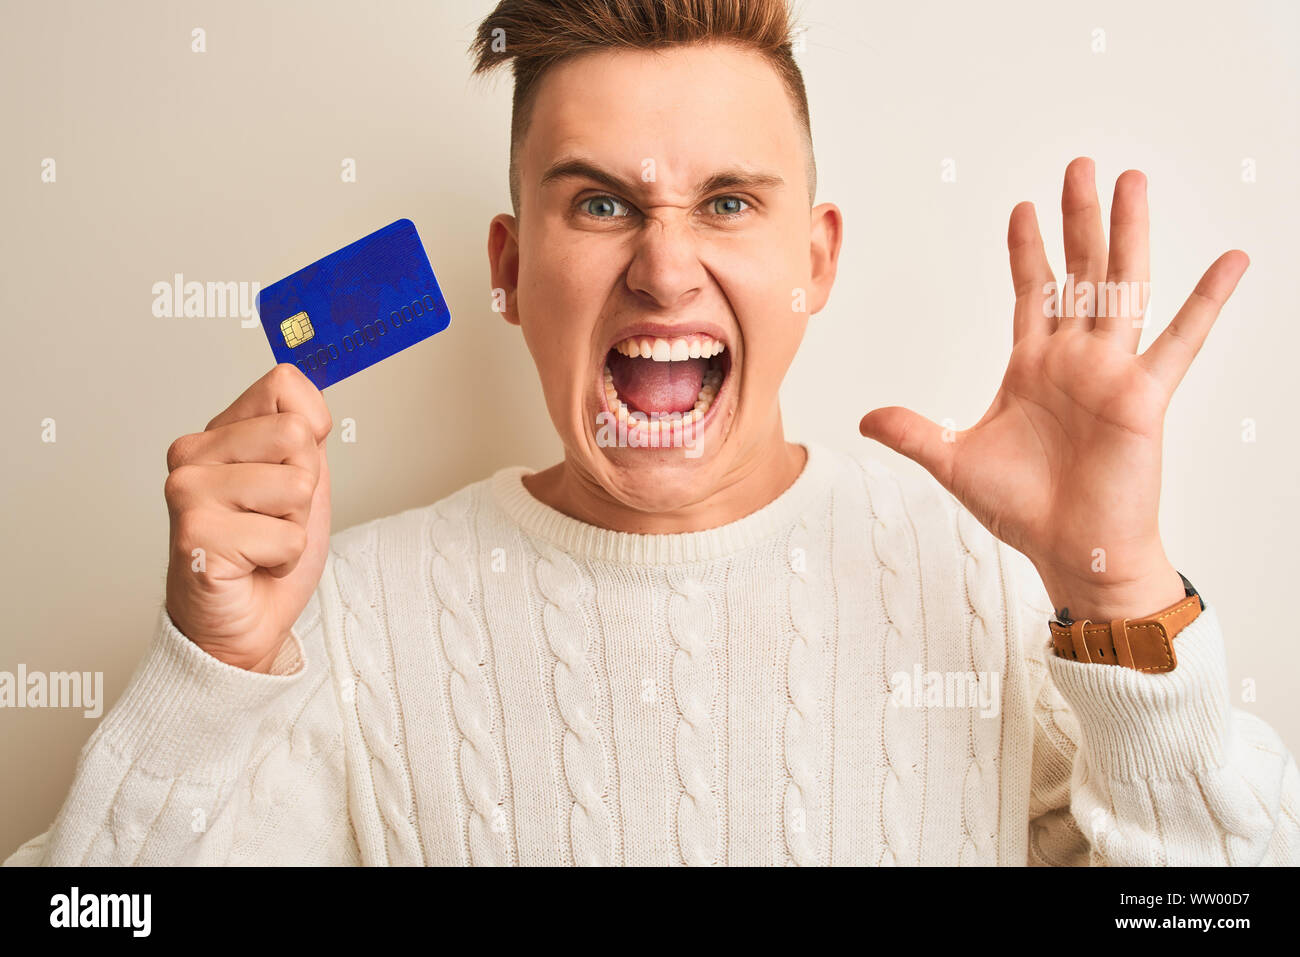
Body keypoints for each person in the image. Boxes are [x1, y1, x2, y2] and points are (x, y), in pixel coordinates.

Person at [6, 0, 1297, 866]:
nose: (667, 267)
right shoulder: (348, 623)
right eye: (602, 204)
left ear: (815, 257)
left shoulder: (993, 590)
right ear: (510, 267)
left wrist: (1116, 588)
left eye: (728, 201)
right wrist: (207, 679)